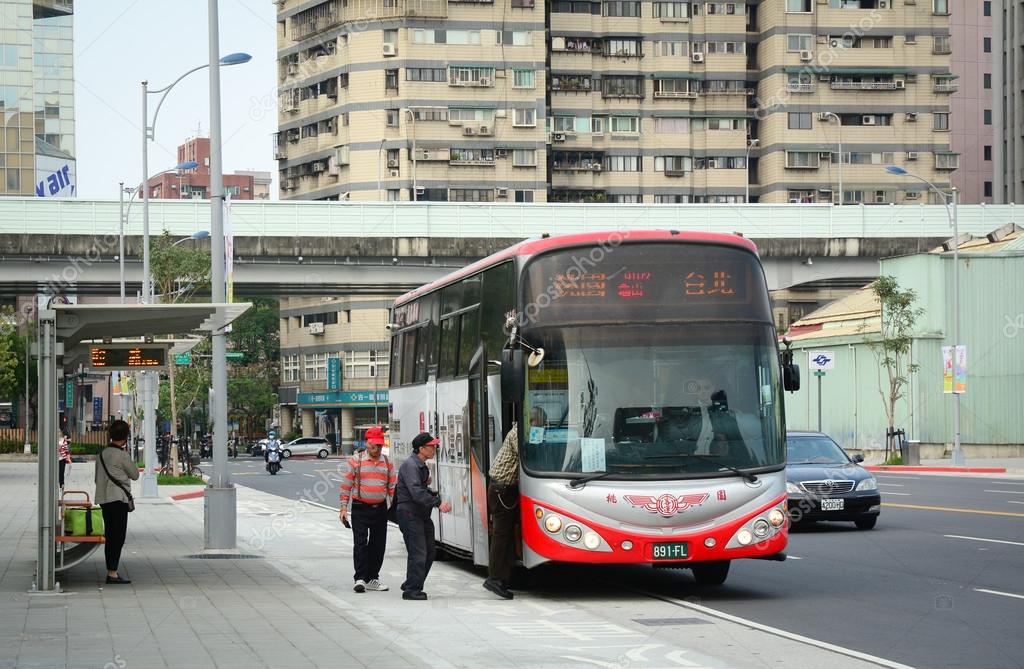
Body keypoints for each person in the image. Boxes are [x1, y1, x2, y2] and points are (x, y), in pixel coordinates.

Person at [482, 406, 545, 600]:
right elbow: (530, 455)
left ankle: (506, 576)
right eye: (539, 424)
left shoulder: (521, 431)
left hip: (505, 489)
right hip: (502, 491)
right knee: (502, 535)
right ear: (532, 422)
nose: (541, 428)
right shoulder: (518, 434)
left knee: (509, 534)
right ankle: (495, 578)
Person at [339, 426, 397, 593]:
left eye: (379, 446)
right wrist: (343, 508)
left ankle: (373, 578)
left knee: (378, 545)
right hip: (360, 508)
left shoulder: (387, 462)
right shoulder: (355, 461)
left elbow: (392, 487)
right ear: (367, 443)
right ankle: (360, 578)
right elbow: (346, 486)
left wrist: (396, 508)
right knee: (360, 543)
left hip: (380, 509)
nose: (377, 449)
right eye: (374, 446)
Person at [395, 432, 451, 601]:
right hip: (410, 513)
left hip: (420, 514)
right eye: (431, 446)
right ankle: (412, 590)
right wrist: (437, 503)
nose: (435, 449)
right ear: (421, 449)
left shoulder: (420, 465)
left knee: (430, 551)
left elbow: (419, 489)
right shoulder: (411, 465)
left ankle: (412, 581)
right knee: (418, 553)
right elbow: (416, 493)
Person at [95, 420, 139, 585]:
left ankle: (111, 570)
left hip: (104, 499)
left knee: (110, 535)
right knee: (118, 536)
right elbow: (135, 474)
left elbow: (96, 479)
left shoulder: (101, 454)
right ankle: (112, 573)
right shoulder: (122, 455)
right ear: (126, 437)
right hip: (118, 499)